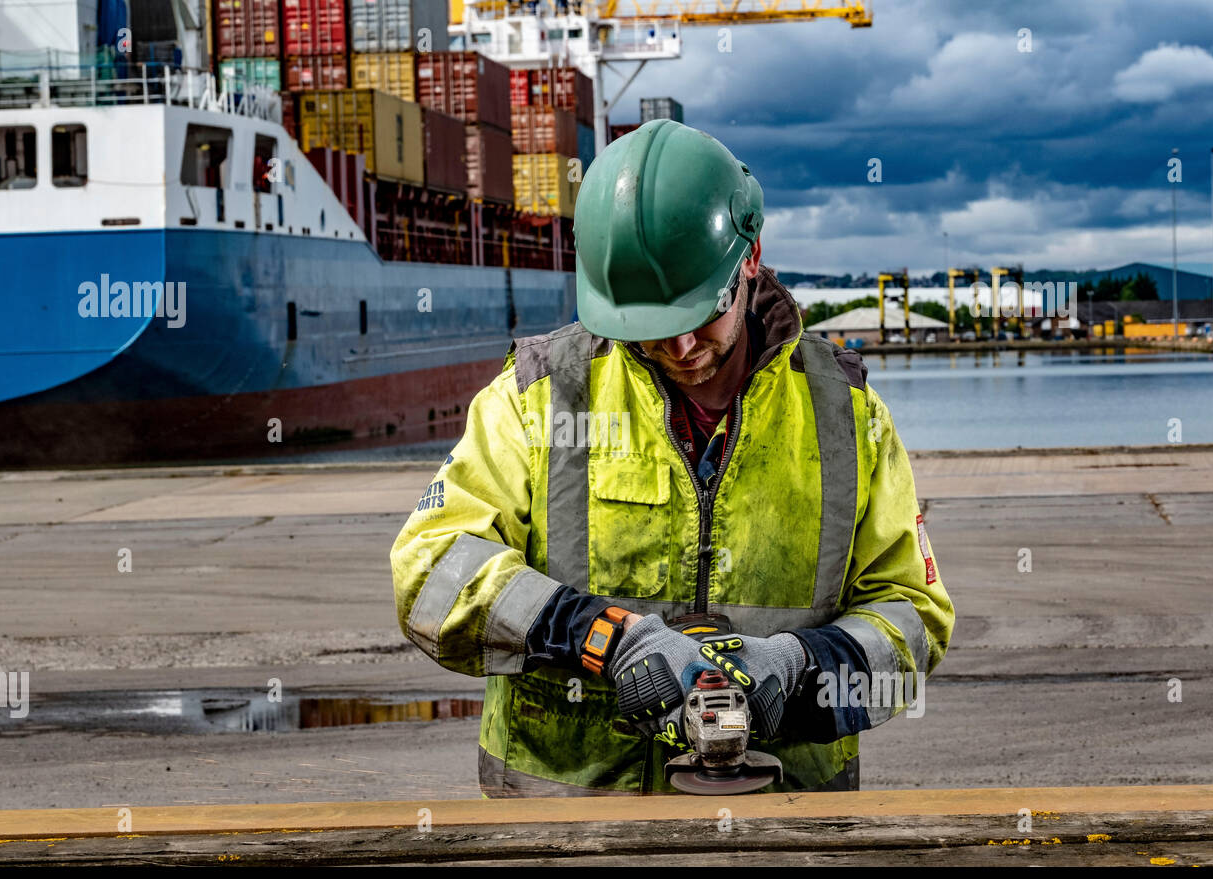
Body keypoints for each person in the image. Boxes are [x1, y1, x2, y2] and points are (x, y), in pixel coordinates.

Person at [390, 119, 955, 797]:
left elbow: (911, 618)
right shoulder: (539, 398)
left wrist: (802, 668)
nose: (681, 346)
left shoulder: (845, 413)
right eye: (653, 328)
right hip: (569, 830)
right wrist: (601, 637)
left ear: (751, 258)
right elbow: (431, 574)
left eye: (701, 314)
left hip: (787, 826)